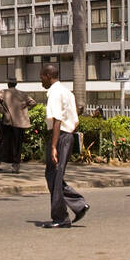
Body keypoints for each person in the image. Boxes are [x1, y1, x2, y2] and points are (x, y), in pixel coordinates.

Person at [40, 62, 88, 228]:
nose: (41, 82)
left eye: (42, 78)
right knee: (54, 176)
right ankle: (79, 205)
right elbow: (75, 120)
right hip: (67, 135)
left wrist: (54, 146)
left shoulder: (54, 93)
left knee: (54, 176)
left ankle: (61, 217)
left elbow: (56, 120)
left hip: (59, 137)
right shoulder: (67, 92)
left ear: (48, 76)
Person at [0, 79, 36, 173]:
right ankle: (15, 167)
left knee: (1, 143)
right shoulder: (23, 94)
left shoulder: (4, 92)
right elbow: (33, 103)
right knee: (17, 145)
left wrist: (3, 111)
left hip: (7, 121)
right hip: (20, 123)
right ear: (16, 84)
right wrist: (25, 109)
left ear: (8, 84)